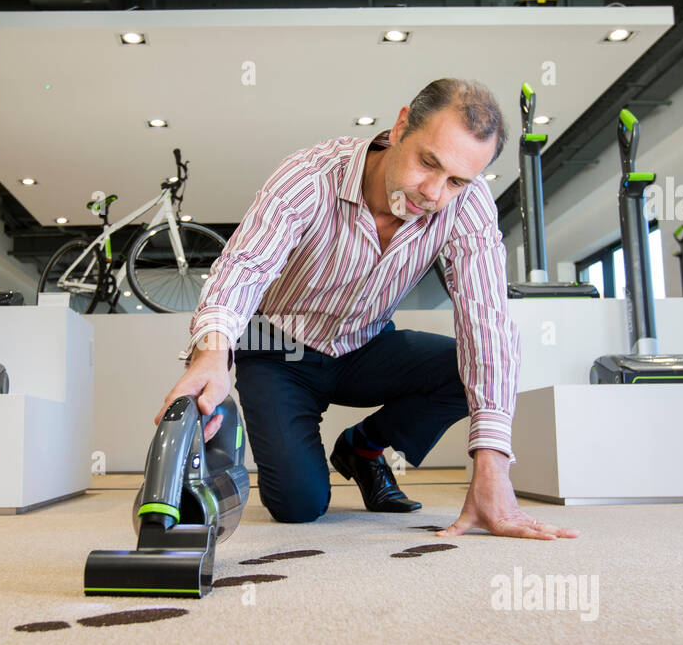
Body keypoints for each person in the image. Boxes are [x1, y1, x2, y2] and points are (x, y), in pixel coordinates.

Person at [156, 78, 577, 541]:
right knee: (300, 506)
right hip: (280, 353)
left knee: (469, 368)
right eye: (428, 162)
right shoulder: (310, 176)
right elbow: (245, 267)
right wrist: (212, 353)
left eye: (456, 180)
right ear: (400, 128)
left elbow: (488, 323)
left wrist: (494, 468)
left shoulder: (466, 206)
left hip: (364, 345)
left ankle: (363, 449)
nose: (433, 193)